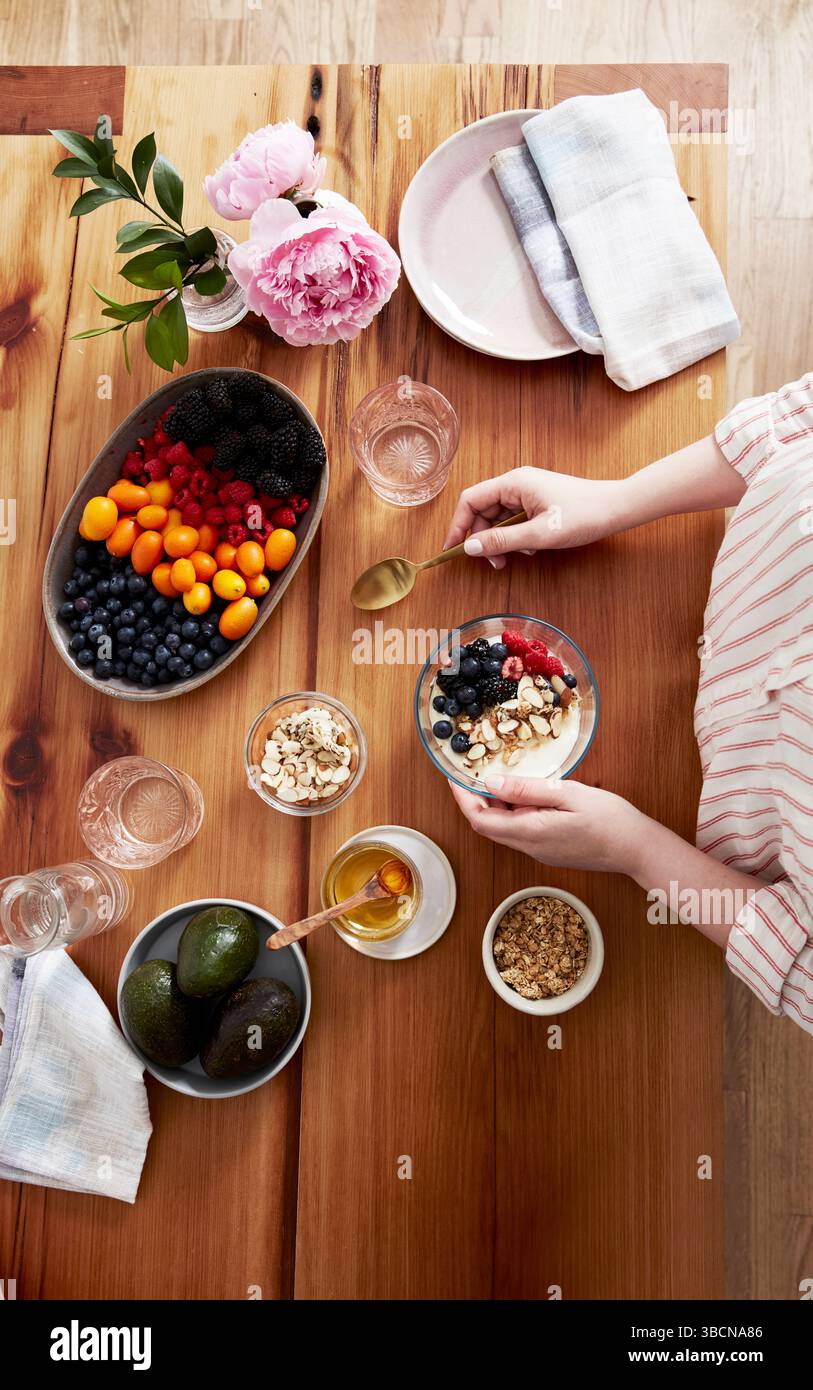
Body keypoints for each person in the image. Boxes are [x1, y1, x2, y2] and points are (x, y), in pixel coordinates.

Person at [445, 374, 813, 1035]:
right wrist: (615, 501)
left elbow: (801, 963)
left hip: (708, 824)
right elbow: (796, 423)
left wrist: (631, 846)